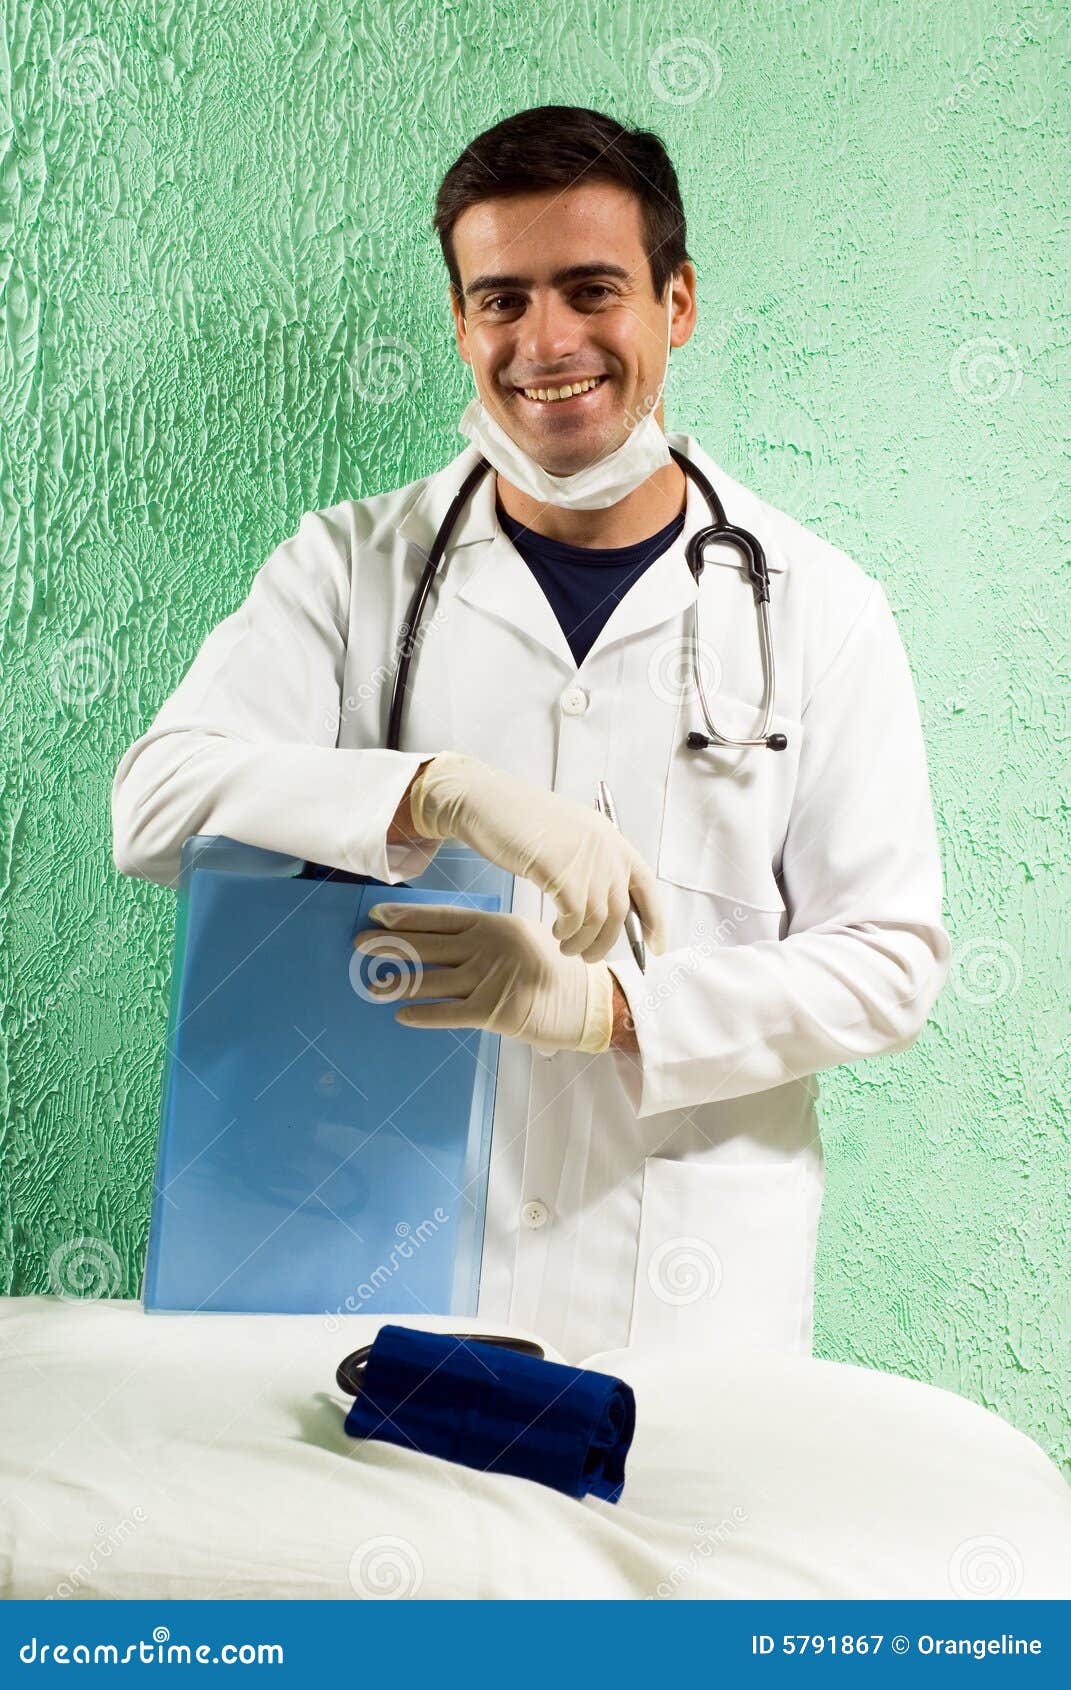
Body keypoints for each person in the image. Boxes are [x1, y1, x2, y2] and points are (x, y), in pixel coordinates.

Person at [111, 105, 950, 1362]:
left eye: (591, 289)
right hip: (394, 1277)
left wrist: (609, 1010)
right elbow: (155, 806)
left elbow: (891, 961)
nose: (546, 341)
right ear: (460, 323)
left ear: (677, 304)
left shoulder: (820, 608)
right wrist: (436, 792)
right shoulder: (350, 570)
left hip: (692, 1307)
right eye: (501, 299)